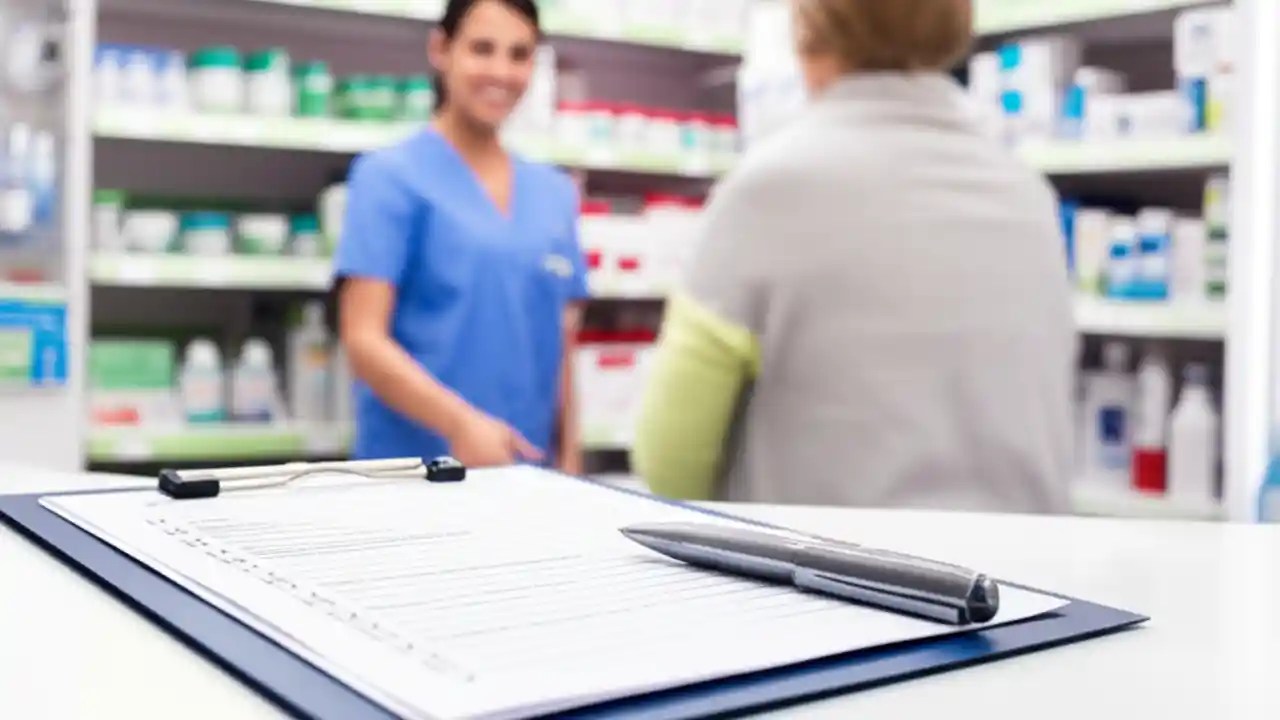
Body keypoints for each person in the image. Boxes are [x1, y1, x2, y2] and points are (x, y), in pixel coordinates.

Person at [632, 0, 1074, 513]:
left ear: (807, 29)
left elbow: (670, 459)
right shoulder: (1028, 195)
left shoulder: (772, 187)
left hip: (840, 583)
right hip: (1016, 582)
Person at [335, 0, 588, 472]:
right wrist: (458, 423)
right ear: (441, 49)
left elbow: (561, 344)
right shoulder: (389, 177)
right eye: (482, 49)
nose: (501, 71)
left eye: (519, 55)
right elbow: (363, 339)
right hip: (412, 475)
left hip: (527, 476)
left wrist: (572, 465)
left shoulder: (553, 192)